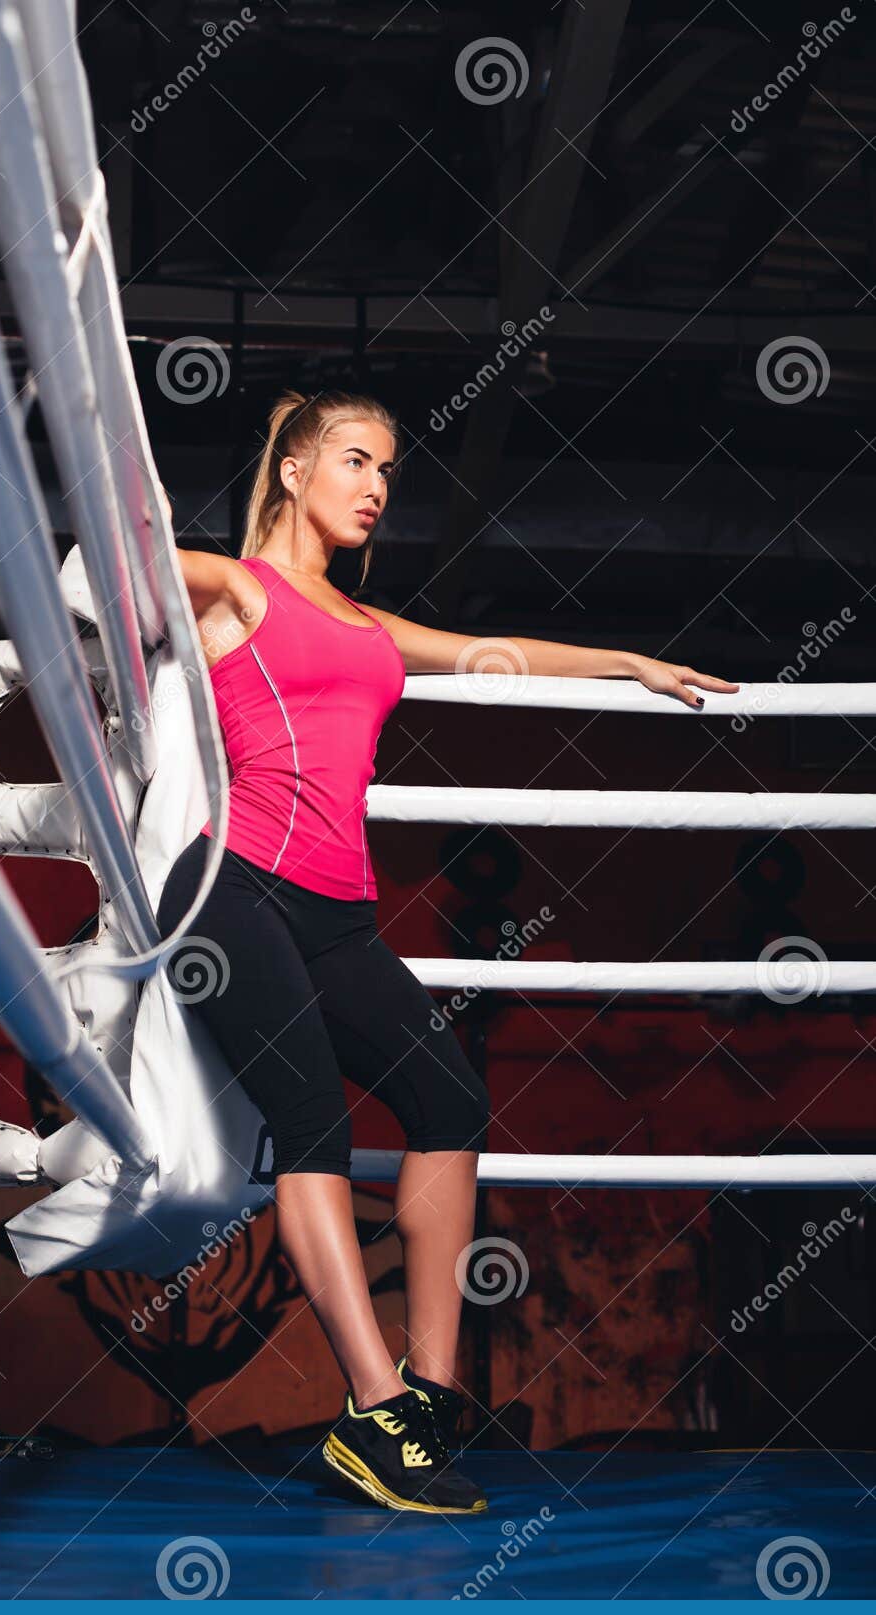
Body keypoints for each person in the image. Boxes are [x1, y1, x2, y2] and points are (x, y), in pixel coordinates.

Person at [156, 389, 738, 1514]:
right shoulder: (236, 589)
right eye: (353, 460)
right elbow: (100, 570)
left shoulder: (372, 628)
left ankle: (425, 1395)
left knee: (447, 1101)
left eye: (388, 470)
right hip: (231, 887)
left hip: (335, 909)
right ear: (290, 471)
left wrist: (628, 664)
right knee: (314, 1117)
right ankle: (373, 1408)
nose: (376, 485)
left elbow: (495, 652)